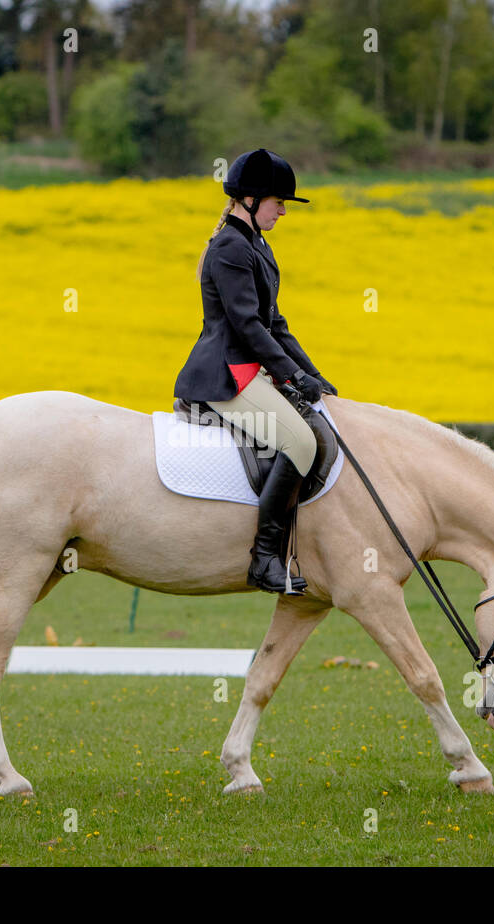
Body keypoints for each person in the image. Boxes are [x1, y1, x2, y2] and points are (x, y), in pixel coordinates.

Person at [174, 148, 337, 595]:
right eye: (277, 201)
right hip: (226, 374)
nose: (284, 210)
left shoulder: (257, 245)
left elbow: (275, 324)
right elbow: (246, 326)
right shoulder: (229, 247)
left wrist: (313, 375)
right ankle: (264, 560)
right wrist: (289, 377)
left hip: (250, 369)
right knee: (300, 440)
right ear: (249, 199)